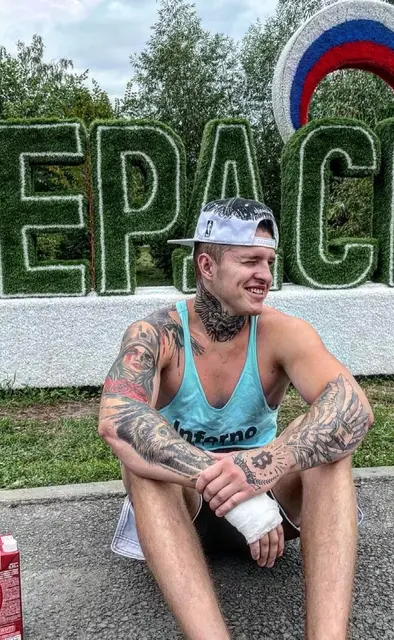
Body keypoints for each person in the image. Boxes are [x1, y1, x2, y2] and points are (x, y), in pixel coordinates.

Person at [98, 197, 373, 640]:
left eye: (269, 262)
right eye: (250, 261)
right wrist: (235, 489)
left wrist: (261, 467)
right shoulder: (157, 333)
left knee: (328, 445)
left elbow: (354, 407)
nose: (265, 275)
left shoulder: (284, 332)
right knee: (143, 464)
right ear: (207, 265)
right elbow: (118, 419)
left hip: (271, 506)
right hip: (187, 509)